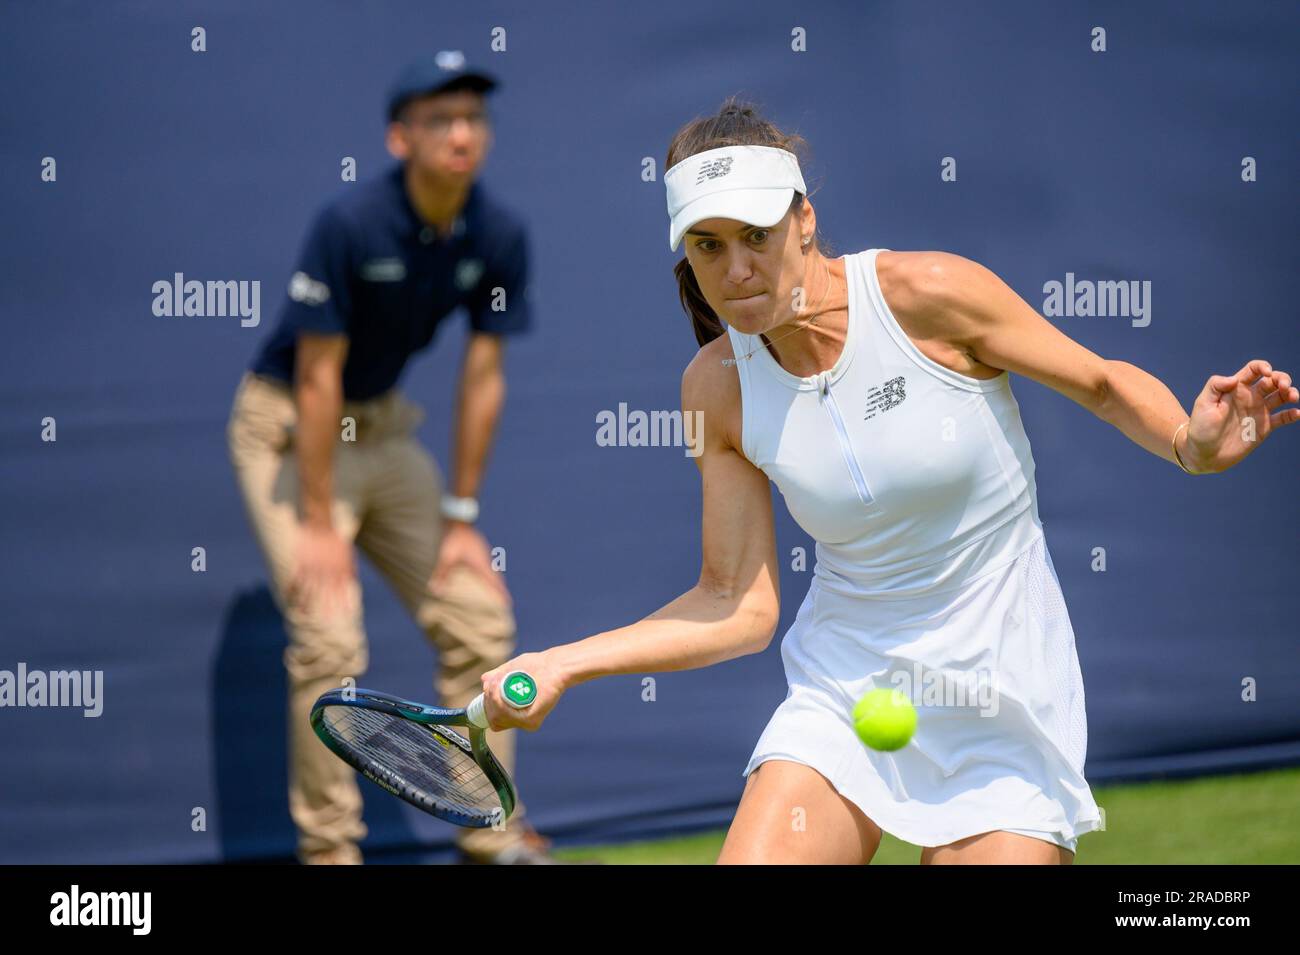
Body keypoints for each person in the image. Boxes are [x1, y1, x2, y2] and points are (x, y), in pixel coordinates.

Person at [476, 97, 1298, 864]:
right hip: (846, 687)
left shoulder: (926, 294)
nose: (734, 271)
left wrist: (1191, 445)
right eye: (707, 246)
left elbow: (1102, 384)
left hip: (1002, 685)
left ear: (805, 220)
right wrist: (562, 662)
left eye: (755, 235)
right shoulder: (715, 386)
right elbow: (736, 601)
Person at [226, 51, 566, 864]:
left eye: (474, 119)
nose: (461, 134)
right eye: (440, 119)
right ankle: (331, 853)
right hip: (290, 432)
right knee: (329, 637)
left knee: (481, 618)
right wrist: (316, 521)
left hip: (381, 435)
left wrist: (460, 518)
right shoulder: (350, 224)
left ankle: (491, 833)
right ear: (398, 137)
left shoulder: (498, 234)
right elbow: (315, 375)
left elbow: (483, 377)